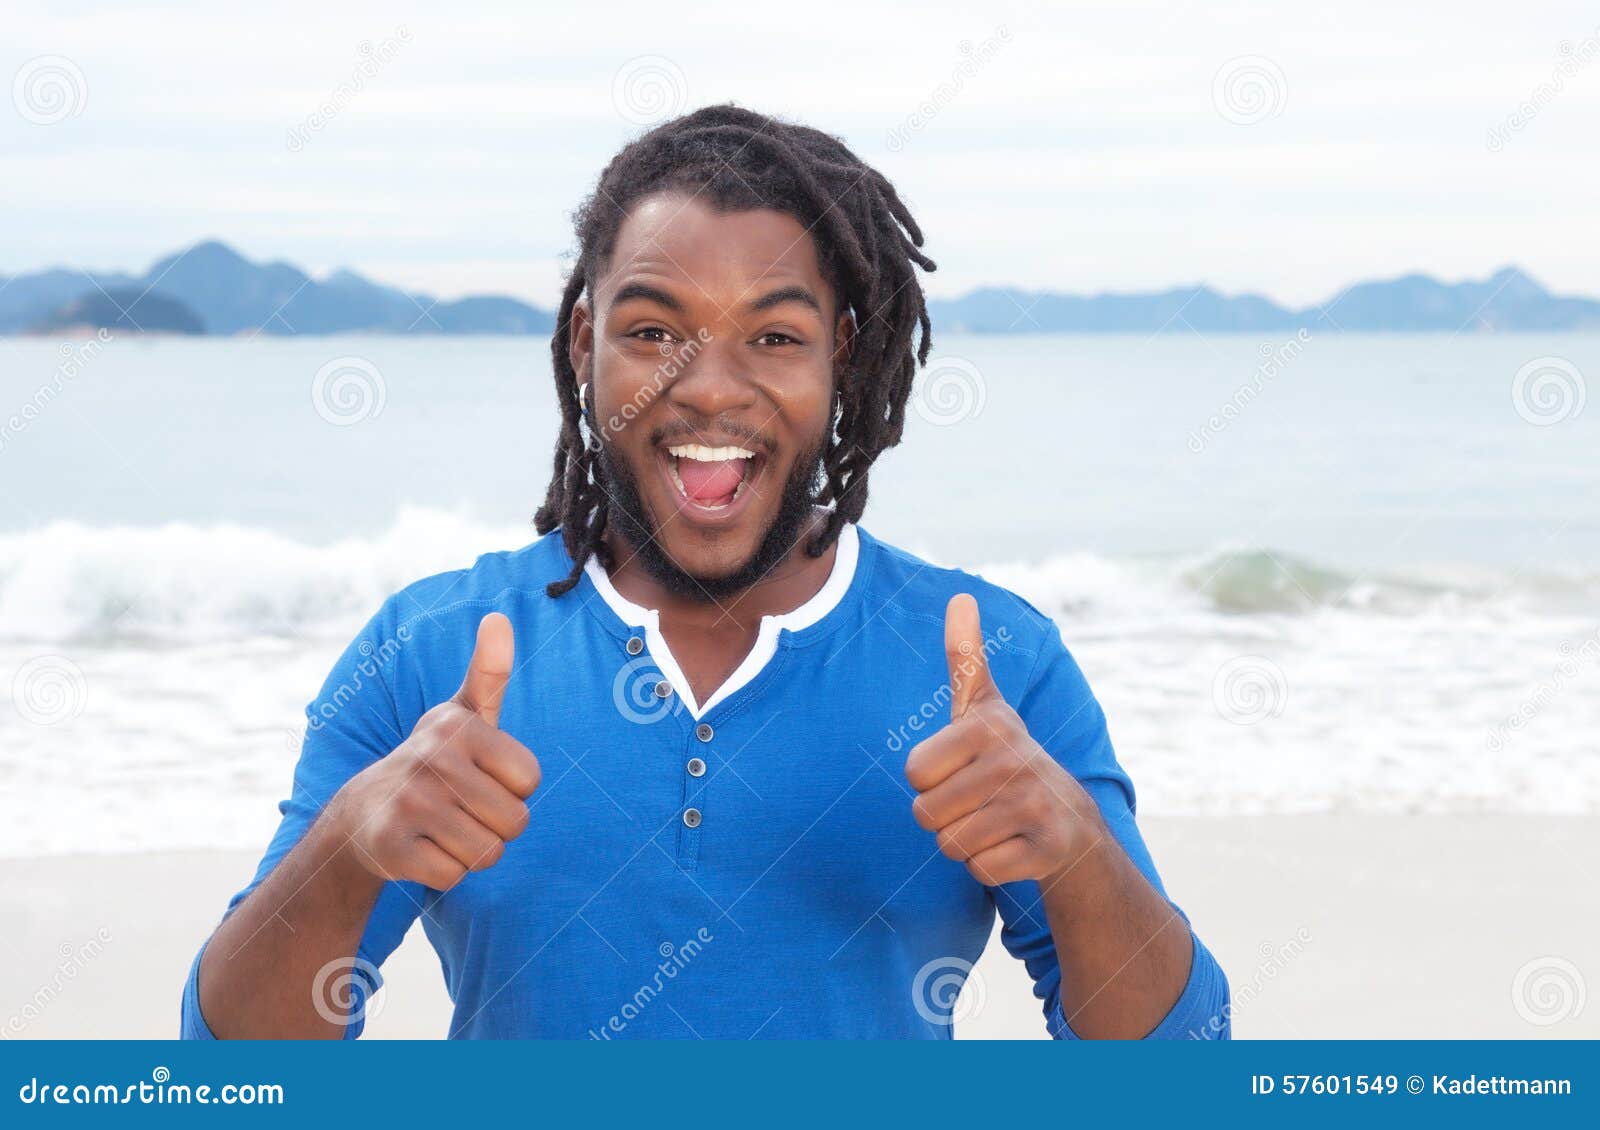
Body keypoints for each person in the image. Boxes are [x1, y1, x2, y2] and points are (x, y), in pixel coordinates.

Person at [182, 104, 1229, 1040]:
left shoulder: (993, 663)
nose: (709, 390)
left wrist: (1078, 849)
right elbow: (227, 1063)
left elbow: (1183, 1062)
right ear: (586, 342)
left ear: (843, 356)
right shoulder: (433, 651)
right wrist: (346, 846)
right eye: (652, 332)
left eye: (773, 334)